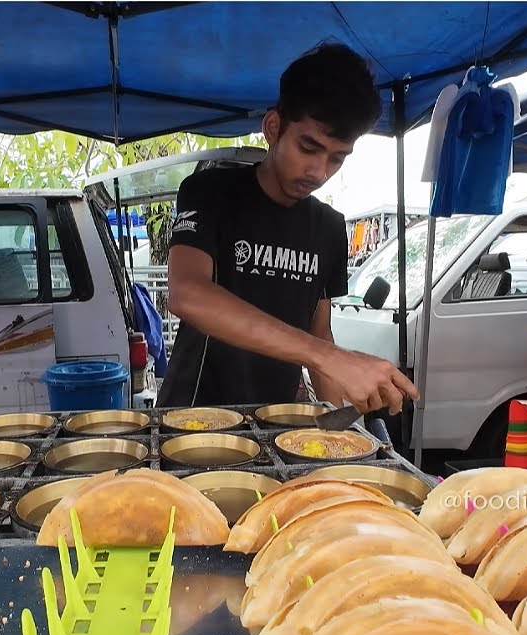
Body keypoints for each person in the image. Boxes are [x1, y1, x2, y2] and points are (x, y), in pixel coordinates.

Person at [157, 44, 418, 413]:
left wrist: (340, 427)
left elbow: (320, 333)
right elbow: (187, 293)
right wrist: (332, 357)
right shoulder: (210, 192)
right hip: (194, 418)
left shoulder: (328, 228)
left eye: (336, 158)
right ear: (273, 127)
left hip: (277, 424)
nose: (319, 171)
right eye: (308, 147)